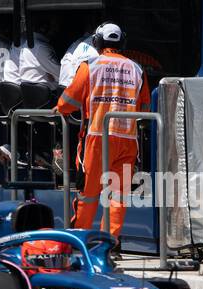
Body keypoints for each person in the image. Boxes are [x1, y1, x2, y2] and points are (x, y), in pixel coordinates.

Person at [54, 22, 149, 235]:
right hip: (127, 140)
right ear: (121, 42)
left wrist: (60, 108)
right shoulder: (137, 69)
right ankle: (108, 242)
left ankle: (81, 238)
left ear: (97, 41)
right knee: (118, 195)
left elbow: (68, 100)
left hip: (96, 139)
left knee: (88, 193)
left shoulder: (90, 65)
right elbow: (144, 107)